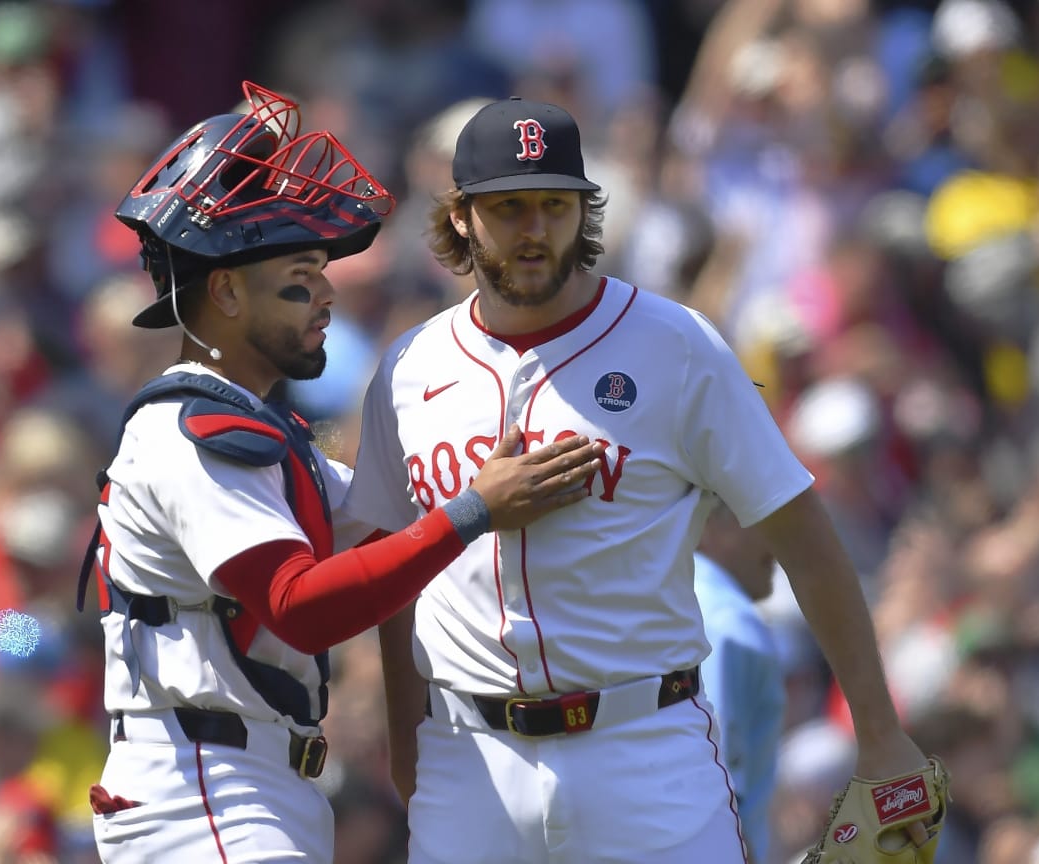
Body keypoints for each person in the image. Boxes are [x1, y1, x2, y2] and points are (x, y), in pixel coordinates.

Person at [345, 96, 935, 863]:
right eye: (509, 207)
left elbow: (805, 538)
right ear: (460, 216)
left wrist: (881, 732)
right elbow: (397, 575)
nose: (534, 230)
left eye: (556, 206)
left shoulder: (676, 344)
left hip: (642, 745)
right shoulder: (408, 367)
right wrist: (407, 742)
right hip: (469, 759)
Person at [79, 83, 606, 863]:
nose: (326, 293)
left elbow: (383, 531)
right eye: (299, 277)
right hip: (202, 788)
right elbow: (302, 607)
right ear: (224, 290)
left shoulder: (262, 428)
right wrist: (473, 512)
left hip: (245, 782)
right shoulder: (186, 435)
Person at [694, 503, 784, 864]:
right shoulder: (728, 622)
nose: (778, 544)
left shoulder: (674, 597)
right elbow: (719, 786)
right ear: (711, 524)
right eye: (761, 520)